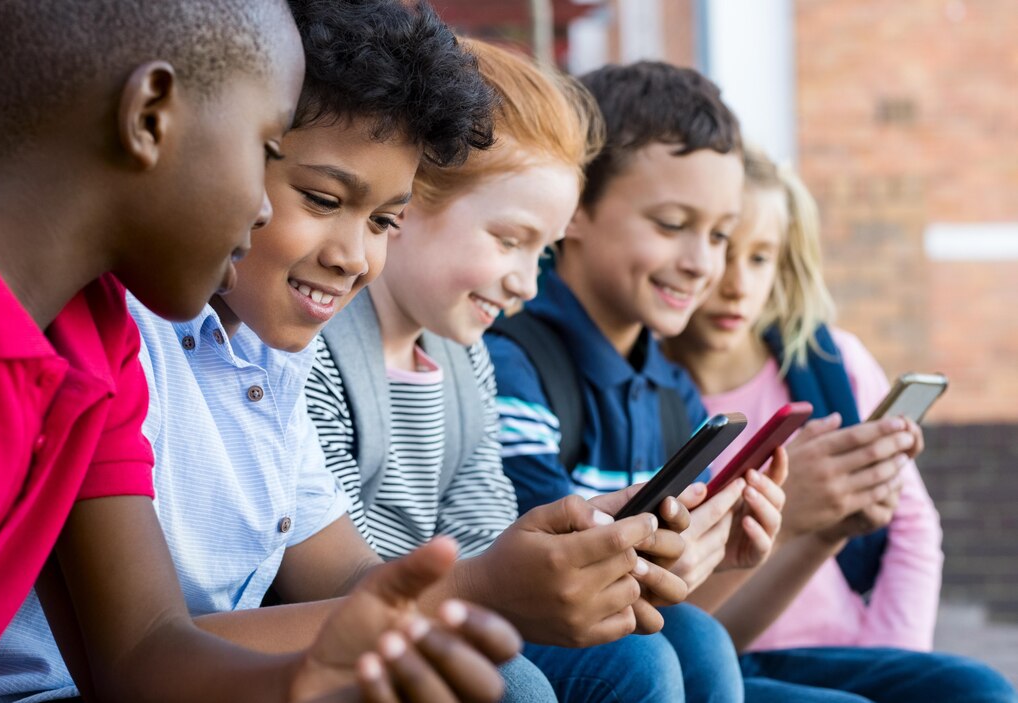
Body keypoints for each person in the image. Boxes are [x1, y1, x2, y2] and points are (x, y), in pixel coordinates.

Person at [0, 1, 518, 701]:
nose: (261, 205)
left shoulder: (96, 341)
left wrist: (309, 677)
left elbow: (141, 655)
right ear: (150, 117)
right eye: (262, 149)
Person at [304, 42, 723, 702]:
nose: (528, 283)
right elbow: (326, 570)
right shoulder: (321, 348)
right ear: (406, 203)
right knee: (522, 683)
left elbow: (482, 524)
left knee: (686, 641)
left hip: (446, 601)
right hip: (348, 619)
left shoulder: (466, 358)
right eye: (509, 240)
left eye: (543, 250)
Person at [662, 144, 1017, 703]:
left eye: (760, 259)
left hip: (849, 650)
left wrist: (894, 655)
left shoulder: (832, 366)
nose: (736, 285)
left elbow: (912, 528)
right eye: (723, 250)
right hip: (718, 655)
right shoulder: (651, 394)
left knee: (982, 691)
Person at [484, 60, 789, 702]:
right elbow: (557, 576)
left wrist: (723, 557)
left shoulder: (675, 392)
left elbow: (677, 613)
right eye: (673, 225)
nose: (701, 262)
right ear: (575, 207)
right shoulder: (510, 358)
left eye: (721, 235)